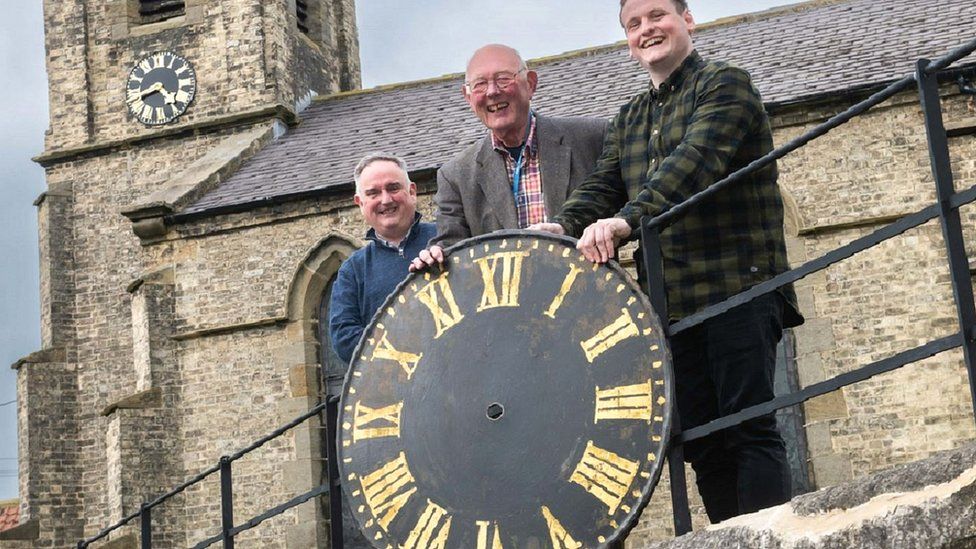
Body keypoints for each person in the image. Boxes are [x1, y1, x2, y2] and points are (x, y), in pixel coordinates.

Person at [532, 0, 804, 523]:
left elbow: (694, 164)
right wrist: (564, 226)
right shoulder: (630, 117)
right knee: (703, 443)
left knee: (748, 428)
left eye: (657, 15)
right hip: (671, 304)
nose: (646, 29)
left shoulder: (725, 84)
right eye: (633, 24)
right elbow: (603, 185)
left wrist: (626, 221)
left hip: (739, 287)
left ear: (688, 20)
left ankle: (769, 538)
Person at [409, 44, 606, 270]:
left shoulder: (592, 138)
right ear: (468, 97)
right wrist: (435, 256)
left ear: (530, 84)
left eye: (503, 79)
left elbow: (625, 213)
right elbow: (451, 247)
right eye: (480, 84)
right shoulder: (455, 175)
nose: (492, 92)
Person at [329, 152, 437, 365]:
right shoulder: (353, 270)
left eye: (393, 188)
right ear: (360, 203)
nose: (386, 200)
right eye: (373, 193)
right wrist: (404, 345)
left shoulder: (446, 238)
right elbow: (344, 338)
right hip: (396, 381)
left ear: (412, 192)